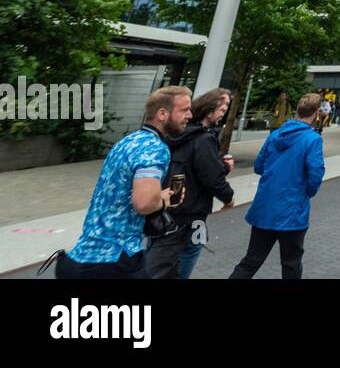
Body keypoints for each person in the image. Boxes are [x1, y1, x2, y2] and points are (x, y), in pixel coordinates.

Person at [54, 87, 191, 279]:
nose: (189, 115)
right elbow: (144, 203)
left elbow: (124, 193)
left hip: (79, 258)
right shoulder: (154, 148)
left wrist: (156, 195)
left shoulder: (127, 142)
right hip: (115, 260)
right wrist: (162, 201)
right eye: (184, 110)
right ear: (162, 113)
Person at [229, 93, 326, 279]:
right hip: (292, 209)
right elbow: (316, 172)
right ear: (316, 113)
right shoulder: (312, 139)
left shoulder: (275, 135)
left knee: (251, 260)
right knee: (291, 263)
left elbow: (259, 166)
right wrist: (308, 191)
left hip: (265, 206)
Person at [147, 87, 236, 278]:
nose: (224, 110)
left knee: (159, 262)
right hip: (191, 216)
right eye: (223, 105)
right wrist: (228, 199)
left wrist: (223, 167)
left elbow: (195, 166)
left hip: (165, 211)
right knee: (184, 257)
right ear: (209, 106)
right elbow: (212, 178)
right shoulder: (204, 139)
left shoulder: (175, 135)